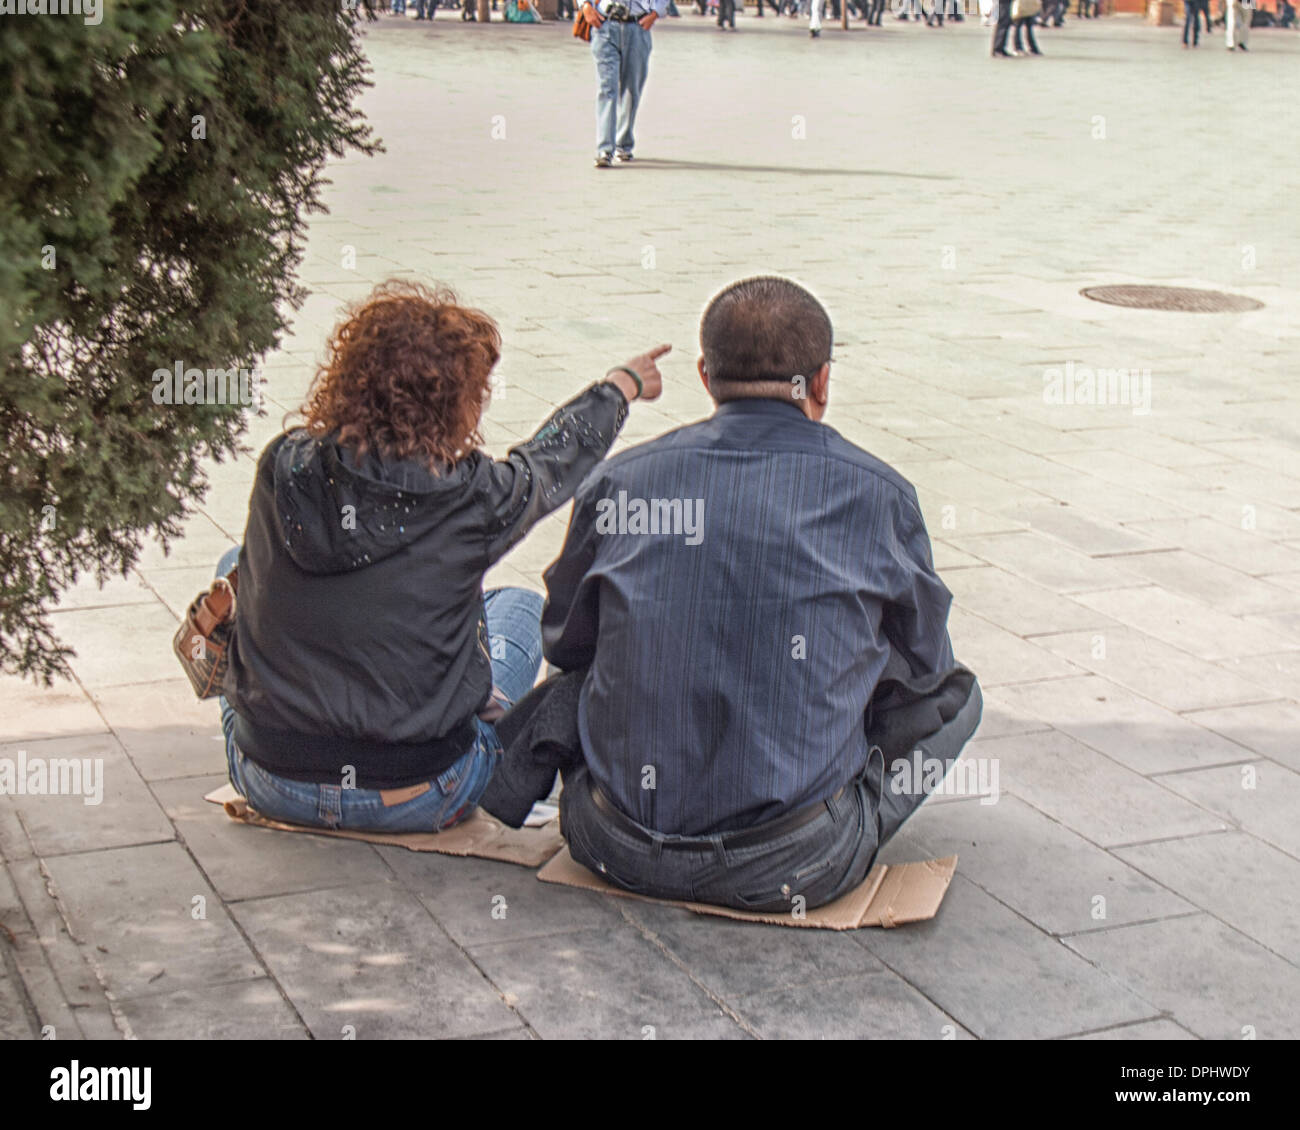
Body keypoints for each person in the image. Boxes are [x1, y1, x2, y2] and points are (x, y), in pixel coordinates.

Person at [482, 277, 981, 913]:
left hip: (611, 842)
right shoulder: (878, 493)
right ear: (821, 383)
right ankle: (819, 806)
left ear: (705, 375)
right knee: (956, 696)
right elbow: (925, 665)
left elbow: (565, 642)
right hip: (795, 867)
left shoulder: (623, 479)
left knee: (586, 677)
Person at [218, 280, 669, 834]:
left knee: (233, 565)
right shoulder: (475, 497)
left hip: (271, 779)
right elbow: (550, 462)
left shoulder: (283, 466)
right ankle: (486, 723)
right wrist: (619, 387)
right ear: (457, 402)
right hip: (420, 792)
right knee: (521, 609)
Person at [582, 0, 670, 168]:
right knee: (607, 89)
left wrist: (655, 13)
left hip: (637, 26)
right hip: (605, 25)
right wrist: (585, 6)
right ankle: (605, 149)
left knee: (632, 89)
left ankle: (623, 143)